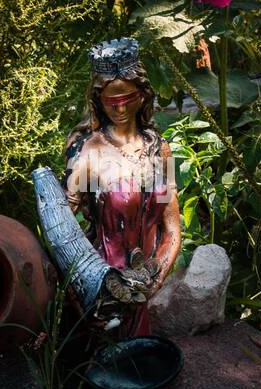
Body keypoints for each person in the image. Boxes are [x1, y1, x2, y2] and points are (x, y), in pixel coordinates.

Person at [62, 38, 182, 337]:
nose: (120, 108)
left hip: (144, 284)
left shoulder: (158, 150)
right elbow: (62, 234)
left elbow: (172, 230)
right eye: (111, 102)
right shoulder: (89, 152)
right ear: (97, 101)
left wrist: (152, 281)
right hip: (102, 288)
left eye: (127, 98)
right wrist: (85, 292)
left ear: (142, 95)